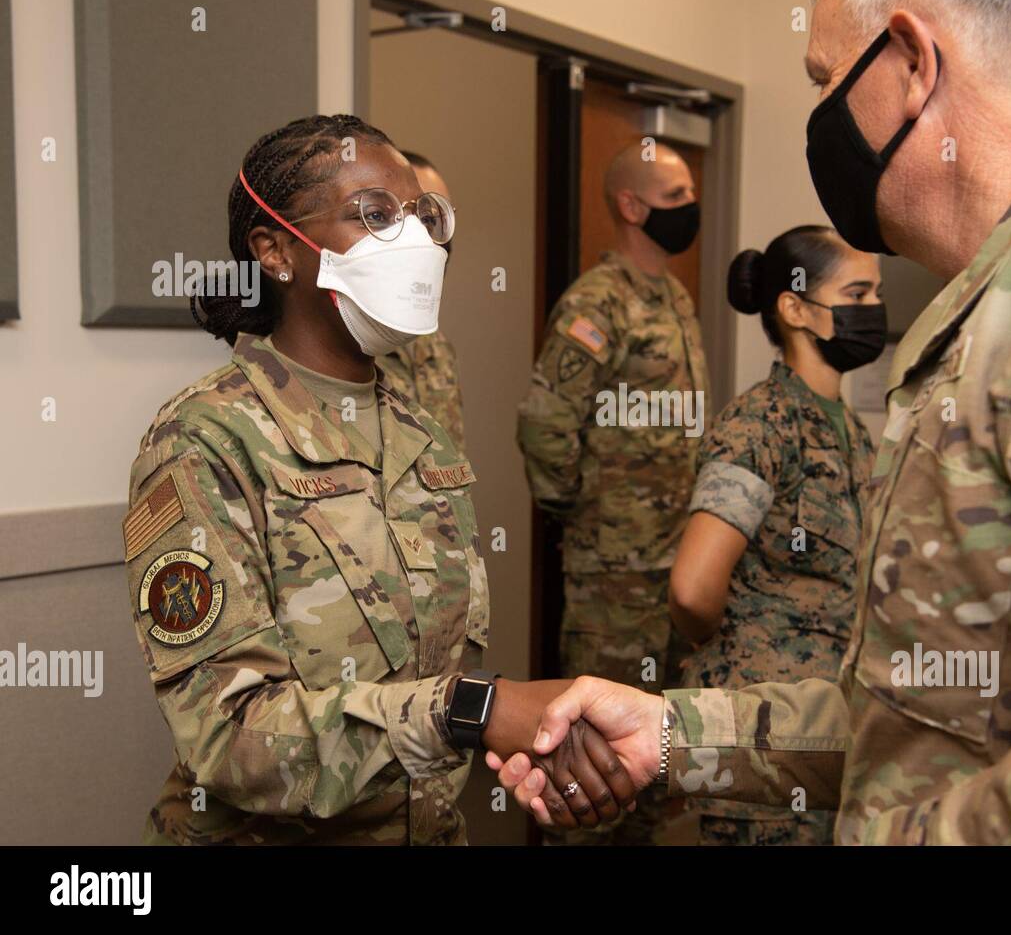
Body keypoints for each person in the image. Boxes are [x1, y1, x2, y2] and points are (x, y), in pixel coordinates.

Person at [491, 0, 1011, 844]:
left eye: (825, 77)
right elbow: (929, 713)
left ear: (912, 64)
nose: (823, 114)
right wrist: (673, 735)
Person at [123, 114, 633, 845]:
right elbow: (228, 739)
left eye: (424, 216)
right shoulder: (204, 440)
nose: (416, 241)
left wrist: (542, 750)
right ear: (274, 252)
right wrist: (471, 712)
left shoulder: (423, 438)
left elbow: (423, 685)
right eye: (374, 215)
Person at [516, 140, 711, 843]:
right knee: (592, 765)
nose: (690, 209)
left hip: (674, 570)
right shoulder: (597, 301)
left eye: (691, 194)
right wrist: (581, 511)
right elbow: (544, 424)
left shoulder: (674, 295)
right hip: (613, 576)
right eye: (674, 197)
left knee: (658, 752)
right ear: (631, 206)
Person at [670, 227, 879, 845]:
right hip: (761, 736)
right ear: (793, 307)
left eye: (875, 294)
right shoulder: (761, 424)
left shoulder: (854, 432)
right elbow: (691, 589)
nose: (872, 310)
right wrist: (749, 648)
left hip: (829, 732)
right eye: (857, 292)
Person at [380, 150, 468, 454]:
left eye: (434, 219)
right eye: (411, 219)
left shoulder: (433, 343)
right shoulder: (341, 346)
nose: (424, 237)